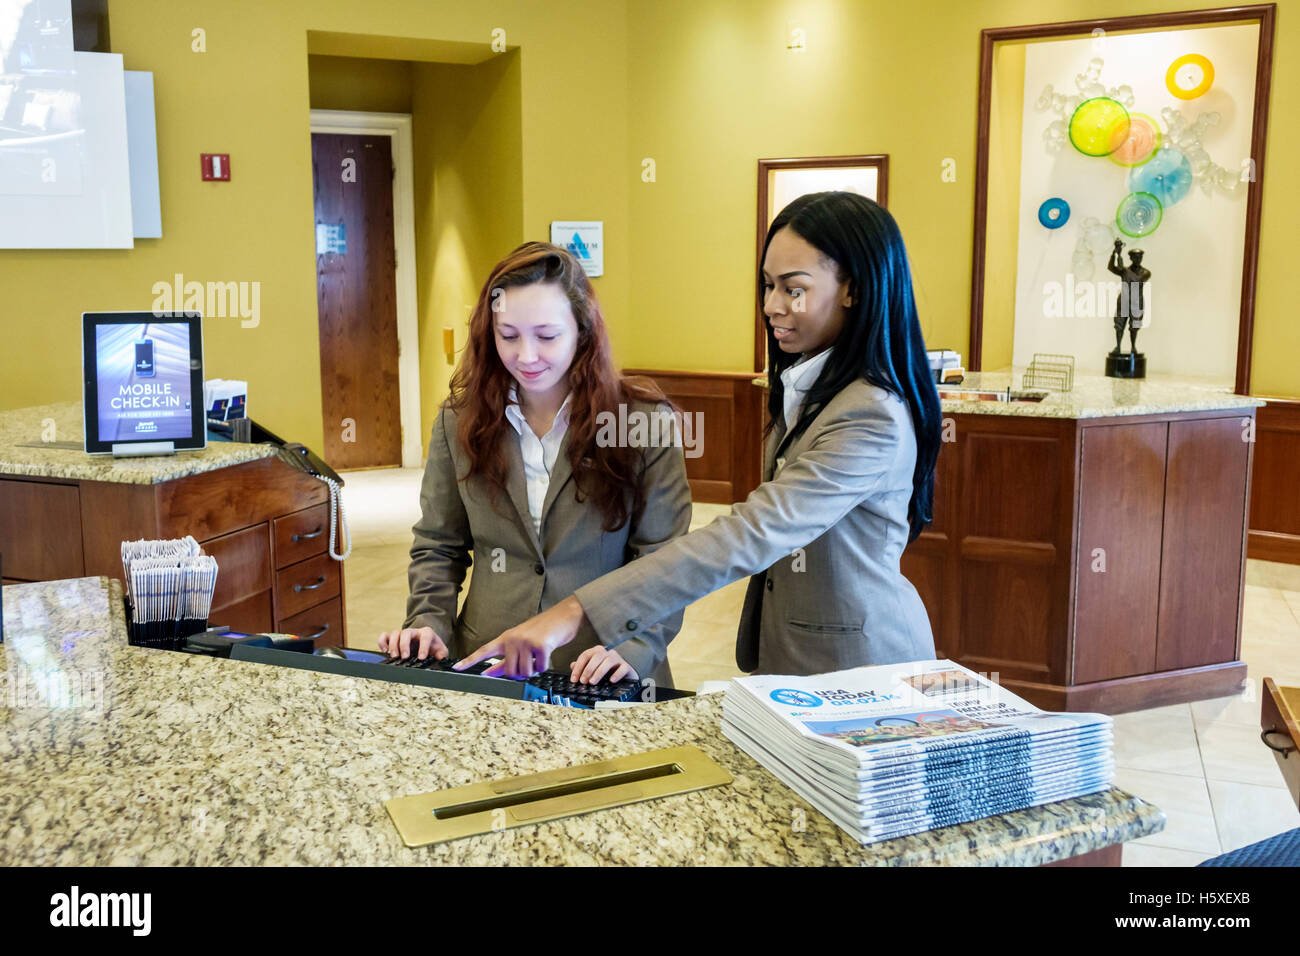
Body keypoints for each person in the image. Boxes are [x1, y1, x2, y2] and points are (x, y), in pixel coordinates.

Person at [458, 191, 942, 679]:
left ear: (853, 289)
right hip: (796, 658)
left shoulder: (871, 413)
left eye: (793, 288)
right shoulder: (810, 386)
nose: (772, 305)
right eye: (767, 285)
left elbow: (752, 532)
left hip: (862, 664)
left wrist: (572, 613)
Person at [378, 241, 692, 687]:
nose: (526, 356)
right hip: (489, 659)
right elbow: (438, 543)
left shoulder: (641, 421)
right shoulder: (457, 422)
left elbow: (664, 559)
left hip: (603, 665)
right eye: (509, 336)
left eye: (547, 336)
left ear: (582, 332)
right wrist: (427, 621)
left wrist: (636, 646)